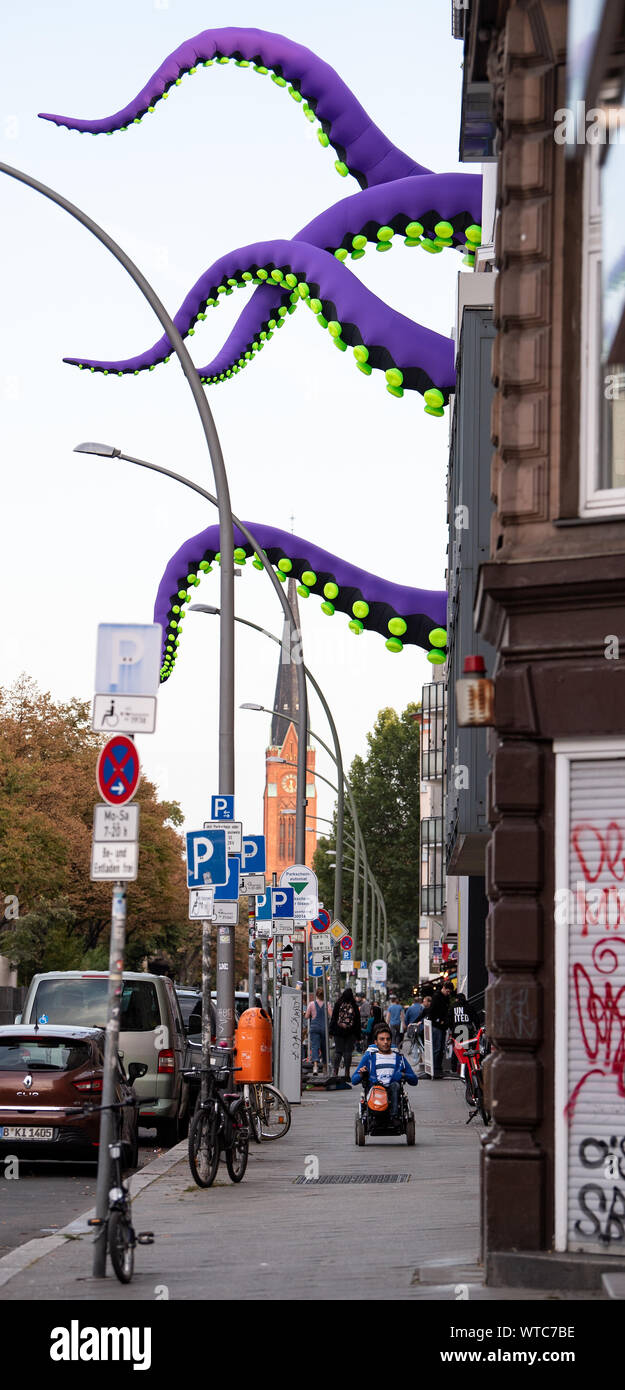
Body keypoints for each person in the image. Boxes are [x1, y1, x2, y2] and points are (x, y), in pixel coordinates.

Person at [351, 1023, 418, 1121]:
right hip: (375, 1090)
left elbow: (414, 1080)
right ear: (376, 1042)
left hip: (393, 1090)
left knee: (395, 1086)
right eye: (382, 1039)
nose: (385, 1042)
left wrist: (403, 1075)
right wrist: (361, 1074)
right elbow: (354, 1080)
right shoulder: (369, 1058)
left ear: (391, 1040)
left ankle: (394, 1116)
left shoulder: (399, 1059)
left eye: (388, 1039)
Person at [329, 987, 361, 1081]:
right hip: (350, 1032)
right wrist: (358, 1035)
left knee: (338, 1051)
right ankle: (347, 1073)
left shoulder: (338, 1004)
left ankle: (335, 1072)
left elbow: (334, 1018)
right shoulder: (354, 1006)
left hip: (338, 1032)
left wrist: (331, 1031)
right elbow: (357, 1021)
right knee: (348, 1052)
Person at [448, 992, 480, 1076]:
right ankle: (468, 1068)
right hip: (468, 1030)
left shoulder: (453, 1006)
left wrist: (452, 1028)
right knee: (468, 1049)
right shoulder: (469, 1006)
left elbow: (449, 1019)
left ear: (457, 999)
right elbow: (476, 1019)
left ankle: (454, 1069)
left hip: (457, 1030)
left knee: (457, 1049)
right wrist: (477, 1028)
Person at [429, 982, 454, 1078]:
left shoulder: (443, 997)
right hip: (437, 1026)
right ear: (444, 988)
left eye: (449, 992)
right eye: (447, 991)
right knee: (438, 1048)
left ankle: (437, 1068)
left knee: (440, 1048)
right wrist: (440, 1021)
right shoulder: (437, 997)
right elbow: (432, 1012)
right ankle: (436, 1068)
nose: (448, 993)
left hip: (441, 1026)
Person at [305, 987, 329, 1075]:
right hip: (324, 1028)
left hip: (314, 1028)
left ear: (316, 995)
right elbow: (330, 1014)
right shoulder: (327, 1004)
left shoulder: (311, 1004)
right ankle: (325, 1067)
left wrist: (307, 1014)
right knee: (324, 1047)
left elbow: (307, 1016)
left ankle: (315, 1066)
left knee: (315, 1047)